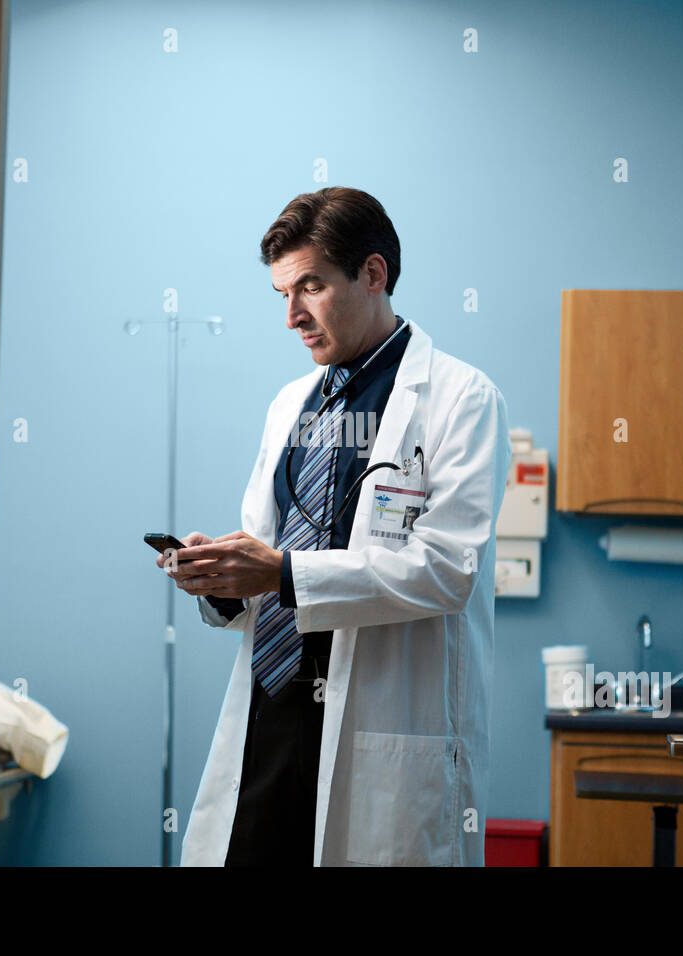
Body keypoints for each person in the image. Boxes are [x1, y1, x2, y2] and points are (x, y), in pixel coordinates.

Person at [156, 187, 511, 866]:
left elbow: (447, 570)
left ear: (373, 275)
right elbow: (267, 563)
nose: (292, 316)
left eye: (310, 286)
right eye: (282, 293)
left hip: (382, 726)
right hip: (272, 712)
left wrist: (282, 571)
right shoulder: (291, 405)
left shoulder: (461, 399)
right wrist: (225, 582)